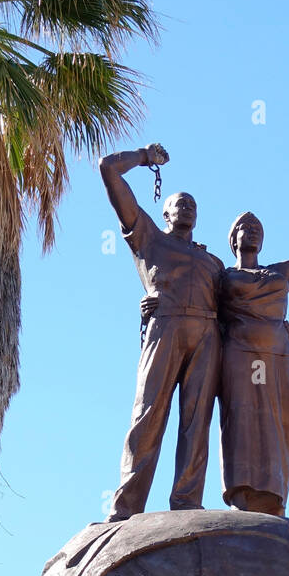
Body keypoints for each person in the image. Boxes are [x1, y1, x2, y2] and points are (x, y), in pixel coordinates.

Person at [99, 143, 224, 518]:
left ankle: (187, 503)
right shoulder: (149, 238)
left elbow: (243, 303)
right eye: (178, 203)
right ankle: (126, 508)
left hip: (207, 333)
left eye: (192, 205)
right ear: (164, 212)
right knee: (148, 414)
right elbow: (107, 169)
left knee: (197, 421)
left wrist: (280, 326)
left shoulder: (213, 261)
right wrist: (143, 157)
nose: (186, 207)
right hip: (165, 325)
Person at [219, 176, 289, 516]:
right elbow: (194, 301)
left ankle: (275, 499)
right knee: (242, 419)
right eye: (245, 226)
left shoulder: (279, 273)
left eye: (257, 227)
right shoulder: (222, 276)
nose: (252, 230)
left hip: (279, 358)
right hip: (241, 355)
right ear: (234, 238)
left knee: (279, 424)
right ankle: (243, 496)